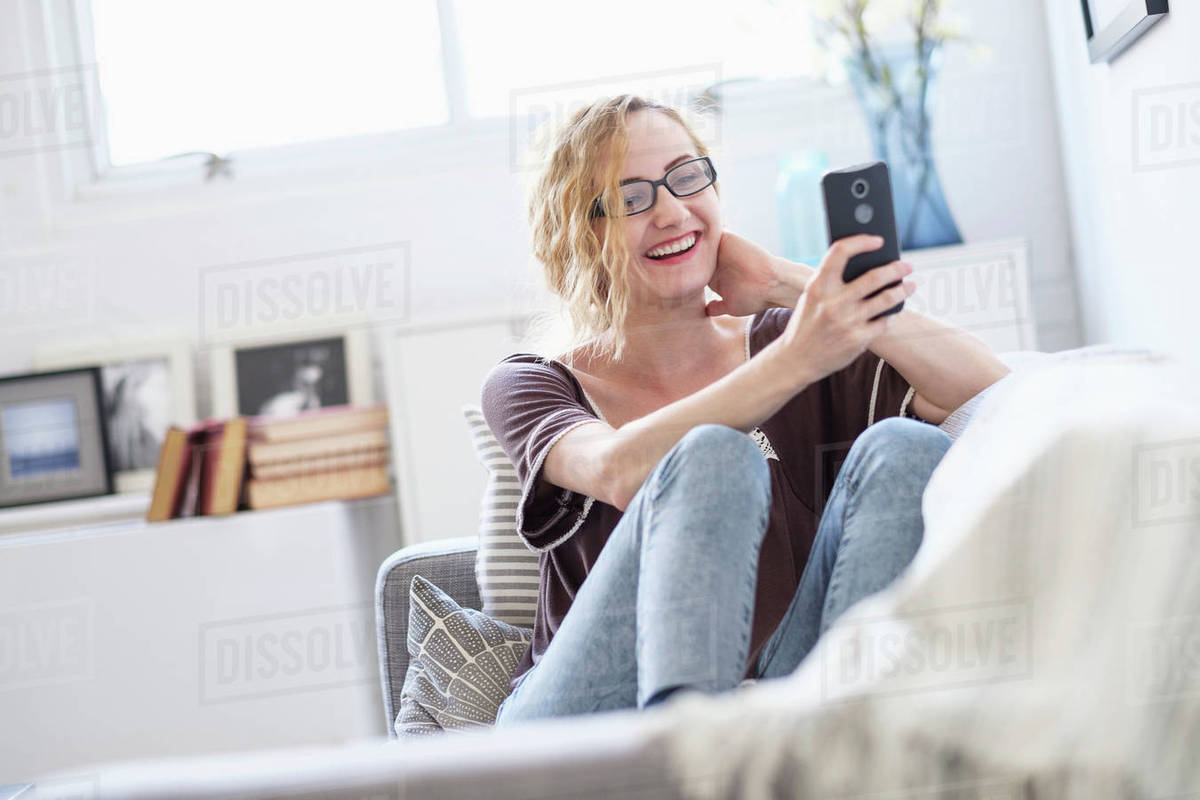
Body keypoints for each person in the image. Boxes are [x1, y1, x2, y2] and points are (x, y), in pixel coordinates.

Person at [481, 95, 1009, 724]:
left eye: (686, 177)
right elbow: (618, 470)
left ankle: (842, 748)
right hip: (585, 720)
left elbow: (984, 391)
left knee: (910, 447)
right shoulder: (532, 384)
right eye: (630, 199)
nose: (673, 212)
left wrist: (789, 285)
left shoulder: (790, 336)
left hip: (781, 700)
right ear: (577, 232)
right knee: (710, 455)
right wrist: (797, 359)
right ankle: (692, 756)